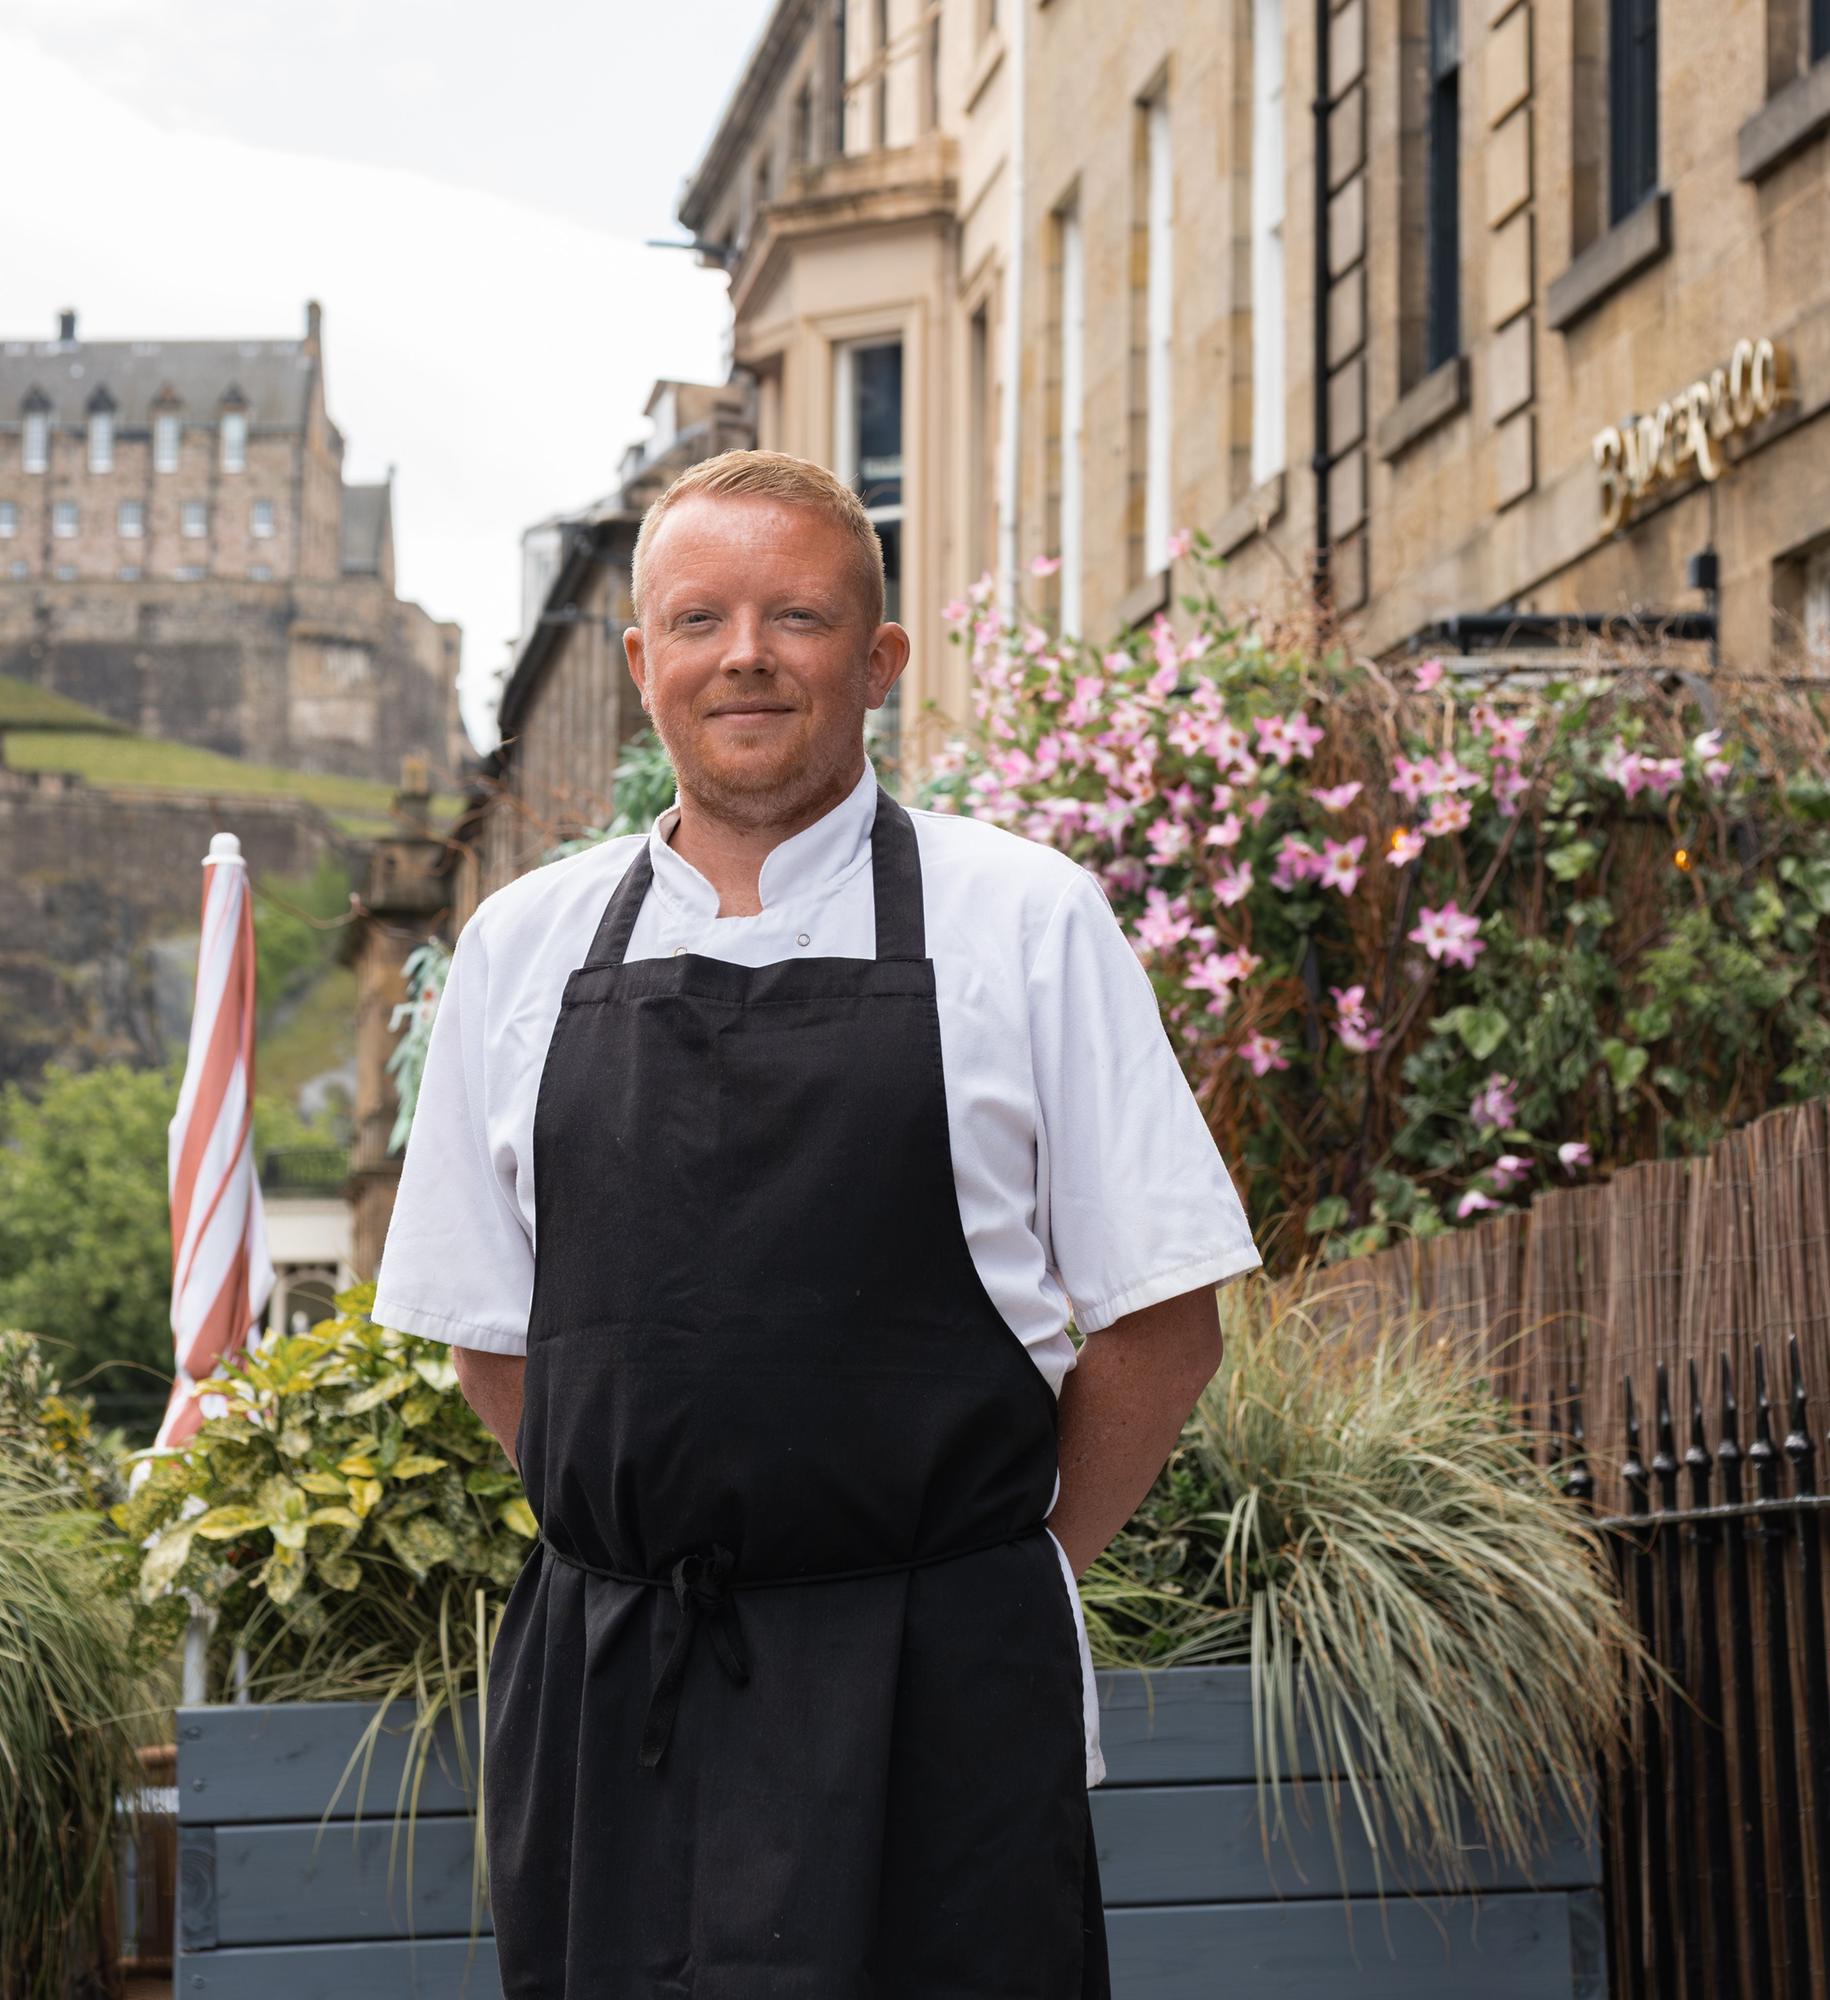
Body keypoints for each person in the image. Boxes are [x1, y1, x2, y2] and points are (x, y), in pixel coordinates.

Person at [374, 450, 1262, 1998]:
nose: (747, 656)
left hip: (939, 1684)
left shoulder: (1025, 916)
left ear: (879, 658)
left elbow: (1162, 1324)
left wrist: (1000, 1572)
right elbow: (492, 1339)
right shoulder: (517, 950)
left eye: (797, 616)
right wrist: (654, 1540)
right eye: (700, 618)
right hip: (615, 1687)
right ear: (642, 661)